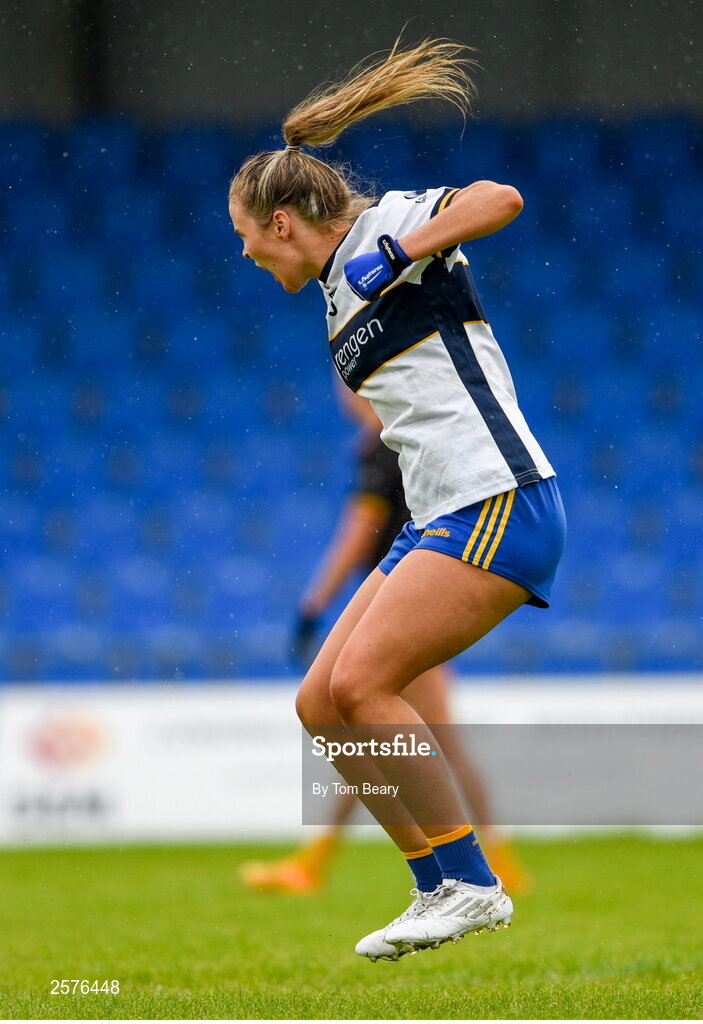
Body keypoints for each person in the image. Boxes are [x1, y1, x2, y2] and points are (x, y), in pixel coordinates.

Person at [228, 37, 566, 961]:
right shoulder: (333, 294)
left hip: (498, 496)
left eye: (248, 239)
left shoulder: (386, 227)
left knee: (365, 686)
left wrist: (406, 248)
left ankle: (471, 883)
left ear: (285, 220)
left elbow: (501, 199)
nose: (248, 256)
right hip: (437, 514)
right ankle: (435, 886)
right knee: (319, 703)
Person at [239, 385, 531, 895]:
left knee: (395, 736)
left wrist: (314, 603)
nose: (344, 396)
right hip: (410, 598)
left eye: (350, 386)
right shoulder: (393, 444)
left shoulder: (382, 445)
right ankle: (492, 860)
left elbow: (363, 525)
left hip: (401, 604)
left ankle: (478, 864)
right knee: (392, 740)